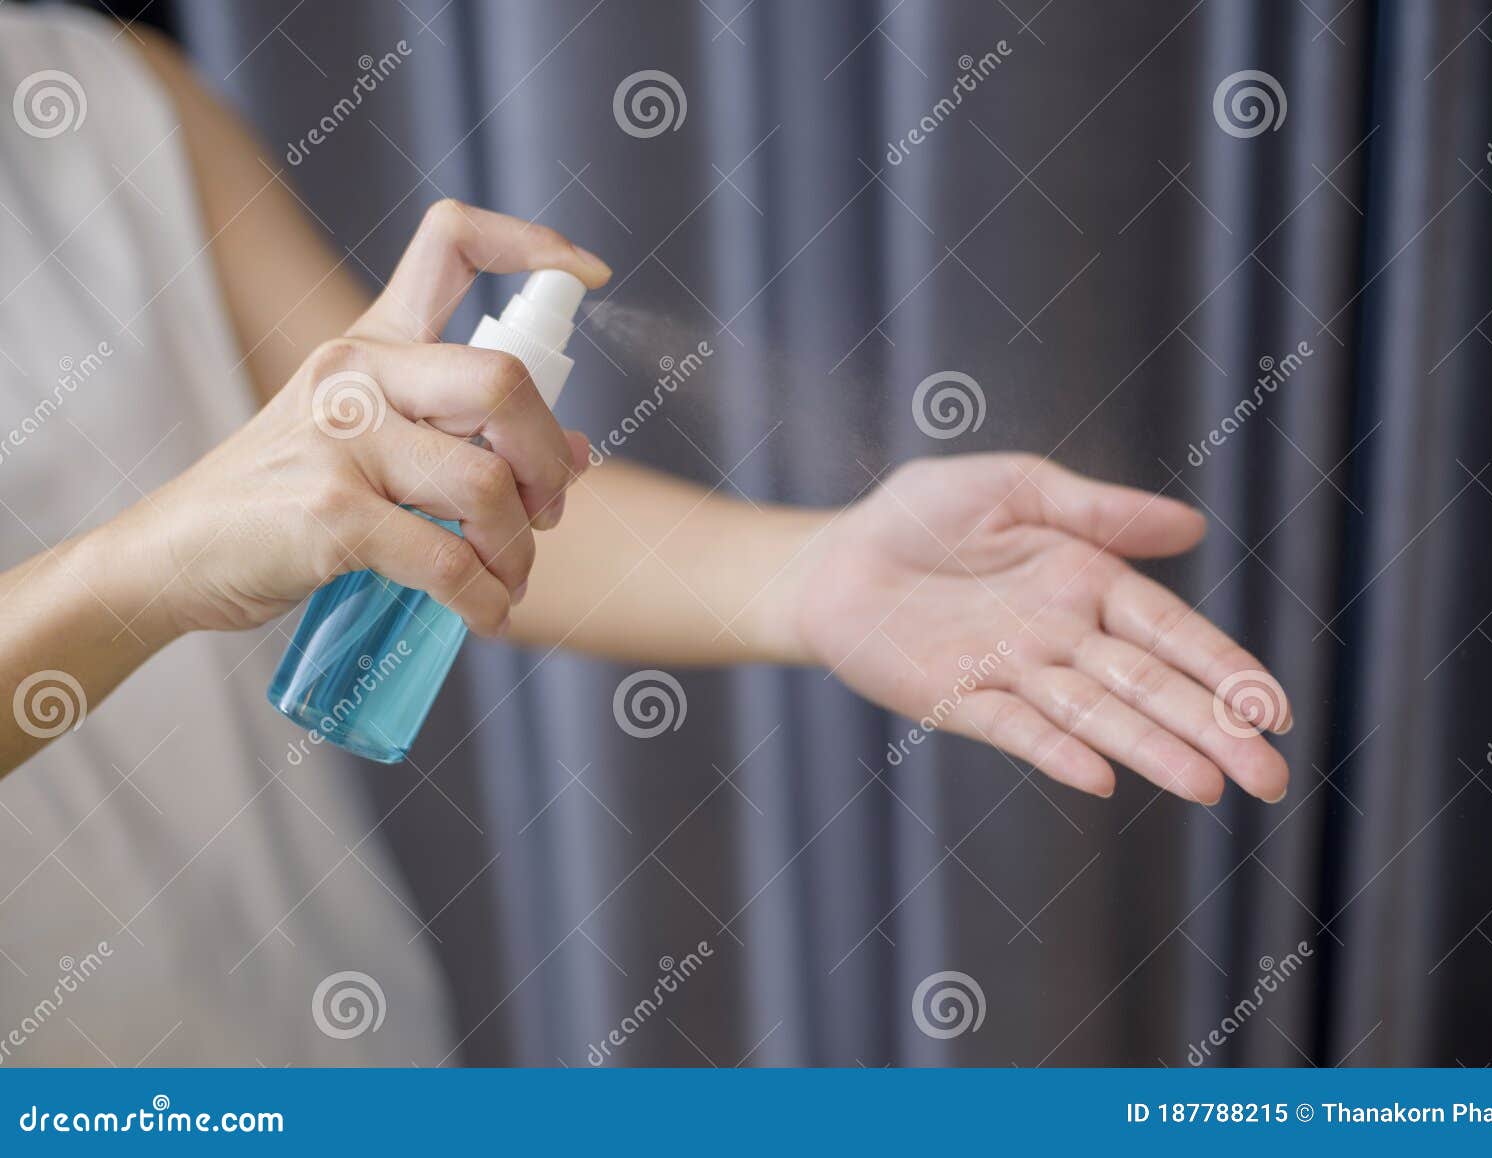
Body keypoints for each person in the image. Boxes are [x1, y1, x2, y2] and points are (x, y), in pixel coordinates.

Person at [0, 8, 1290, 1064]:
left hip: (304, 1018)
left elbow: (437, 496)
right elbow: (241, 511)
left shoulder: (97, 91)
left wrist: (819, 572)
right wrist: (158, 563)